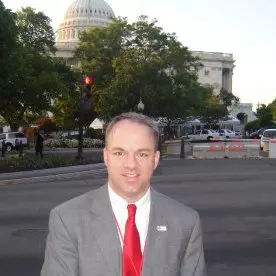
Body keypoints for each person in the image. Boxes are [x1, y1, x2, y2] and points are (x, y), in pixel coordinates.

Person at [41, 112, 207, 276]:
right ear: (106, 157)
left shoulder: (186, 222)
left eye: (142, 154)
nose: (131, 165)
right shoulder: (67, 219)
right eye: (119, 153)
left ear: (155, 160)